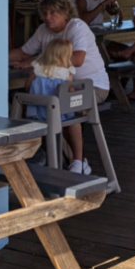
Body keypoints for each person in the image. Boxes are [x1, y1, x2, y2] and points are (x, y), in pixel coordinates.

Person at [11, 0, 109, 124]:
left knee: (54, 109)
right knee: (37, 107)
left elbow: (77, 60)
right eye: (44, 13)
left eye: (53, 12)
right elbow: (23, 53)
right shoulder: (43, 30)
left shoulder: (77, 27)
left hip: (91, 86)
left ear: (66, 12)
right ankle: (53, 144)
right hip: (58, 86)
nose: (47, 17)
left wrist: (37, 62)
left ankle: (60, 144)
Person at [24, 38, 92, 175]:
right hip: (61, 114)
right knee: (75, 123)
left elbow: (27, 87)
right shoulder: (67, 74)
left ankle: (46, 156)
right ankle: (78, 161)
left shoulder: (36, 69)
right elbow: (69, 95)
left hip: (38, 114)